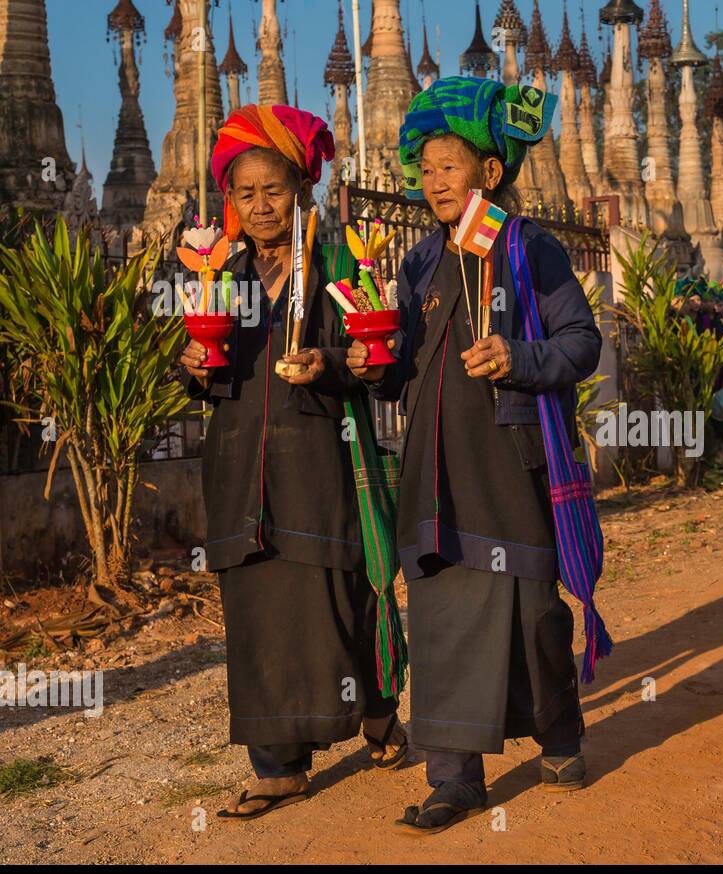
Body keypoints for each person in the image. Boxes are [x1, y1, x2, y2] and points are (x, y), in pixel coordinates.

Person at [350, 76, 605, 834]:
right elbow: (399, 365)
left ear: (490, 174)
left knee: (533, 615)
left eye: (450, 167)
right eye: (424, 170)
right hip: (434, 473)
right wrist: (370, 365)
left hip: (511, 464)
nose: (433, 182)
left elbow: (582, 343)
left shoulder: (534, 251)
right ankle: (454, 778)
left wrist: (520, 356)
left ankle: (559, 734)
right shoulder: (420, 263)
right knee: (441, 620)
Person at [178, 104, 407, 820]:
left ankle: (374, 709)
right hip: (241, 470)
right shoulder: (221, 276)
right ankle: (277, 765)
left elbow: (378, 361)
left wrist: (332, 363)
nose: (260, 205)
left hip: (320, 465)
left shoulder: (341, 266)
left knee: (338, 599)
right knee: (256, 616)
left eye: (272, 188)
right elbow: (203, 373)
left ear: (301, 185)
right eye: (244, 193)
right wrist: (191, 364)